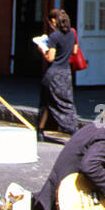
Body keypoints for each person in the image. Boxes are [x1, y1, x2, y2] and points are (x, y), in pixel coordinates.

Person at [37, 8, 80, 139]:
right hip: (66, 72)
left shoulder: (54, 37)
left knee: (46, 103)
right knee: (65, 101)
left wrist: (41, 50)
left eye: (50, 23)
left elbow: (50, 58)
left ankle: (40, 131)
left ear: (54, 21)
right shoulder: (72, 33)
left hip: (53, 73)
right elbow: (75, 51)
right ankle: (72, 130)